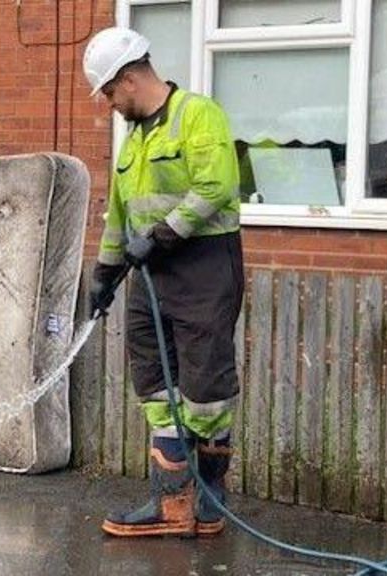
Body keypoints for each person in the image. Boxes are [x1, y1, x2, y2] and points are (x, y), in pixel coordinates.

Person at [82, 28, 244, 538]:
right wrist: (104, 276)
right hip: (151, 276)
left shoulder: (198, 115)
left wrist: (161, 235)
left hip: (204, 268)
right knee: (155, 384)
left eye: (110, 93)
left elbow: (217, 186)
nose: (109, 104)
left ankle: (210, 501)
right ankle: (172, 504)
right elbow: (119, 218)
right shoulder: (133, 141)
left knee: (205, 390)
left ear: (129, 79)